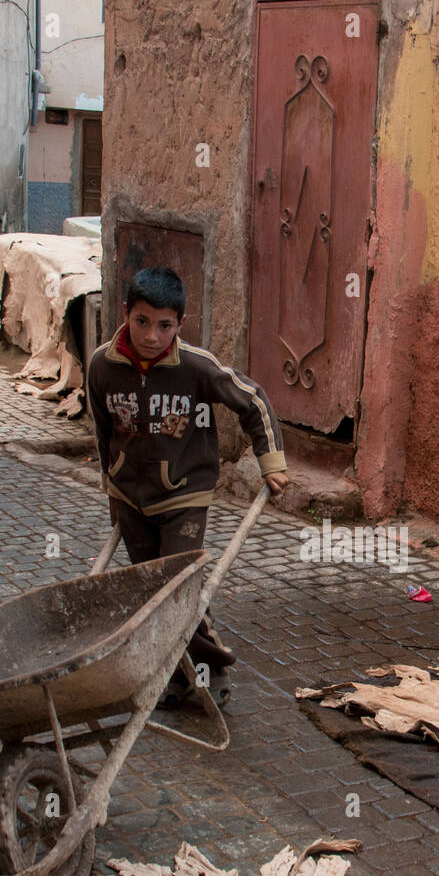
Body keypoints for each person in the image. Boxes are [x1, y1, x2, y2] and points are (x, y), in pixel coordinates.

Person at [86, 266, 288, 706]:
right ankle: (174, 674)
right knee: (149, 590)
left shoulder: (196, 367)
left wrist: (269, 460)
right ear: (125, 314)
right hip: (130, 496)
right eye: (142, 322)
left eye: (164, 325)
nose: (152, 336)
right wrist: (110, 488)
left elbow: (252, 399)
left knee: (178, 585)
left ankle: (209, 671)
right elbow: (102, 430)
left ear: (180, 323)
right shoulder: (102, 365)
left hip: (184, 494)